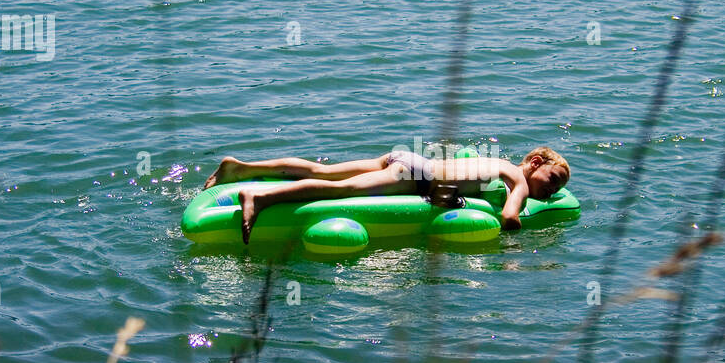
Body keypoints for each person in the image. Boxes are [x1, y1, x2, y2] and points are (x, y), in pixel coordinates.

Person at [202, 147, 571, 244]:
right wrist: (519, 246)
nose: (551, 190)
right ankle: (260, 198)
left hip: (407, 160)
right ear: (534, 162)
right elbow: (509, 217)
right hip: (415, 176)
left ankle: (241, 167)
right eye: (551, 180)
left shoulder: (496, 164)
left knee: (324, 171)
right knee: (340, 189)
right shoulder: (515, 178)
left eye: (556, 189)